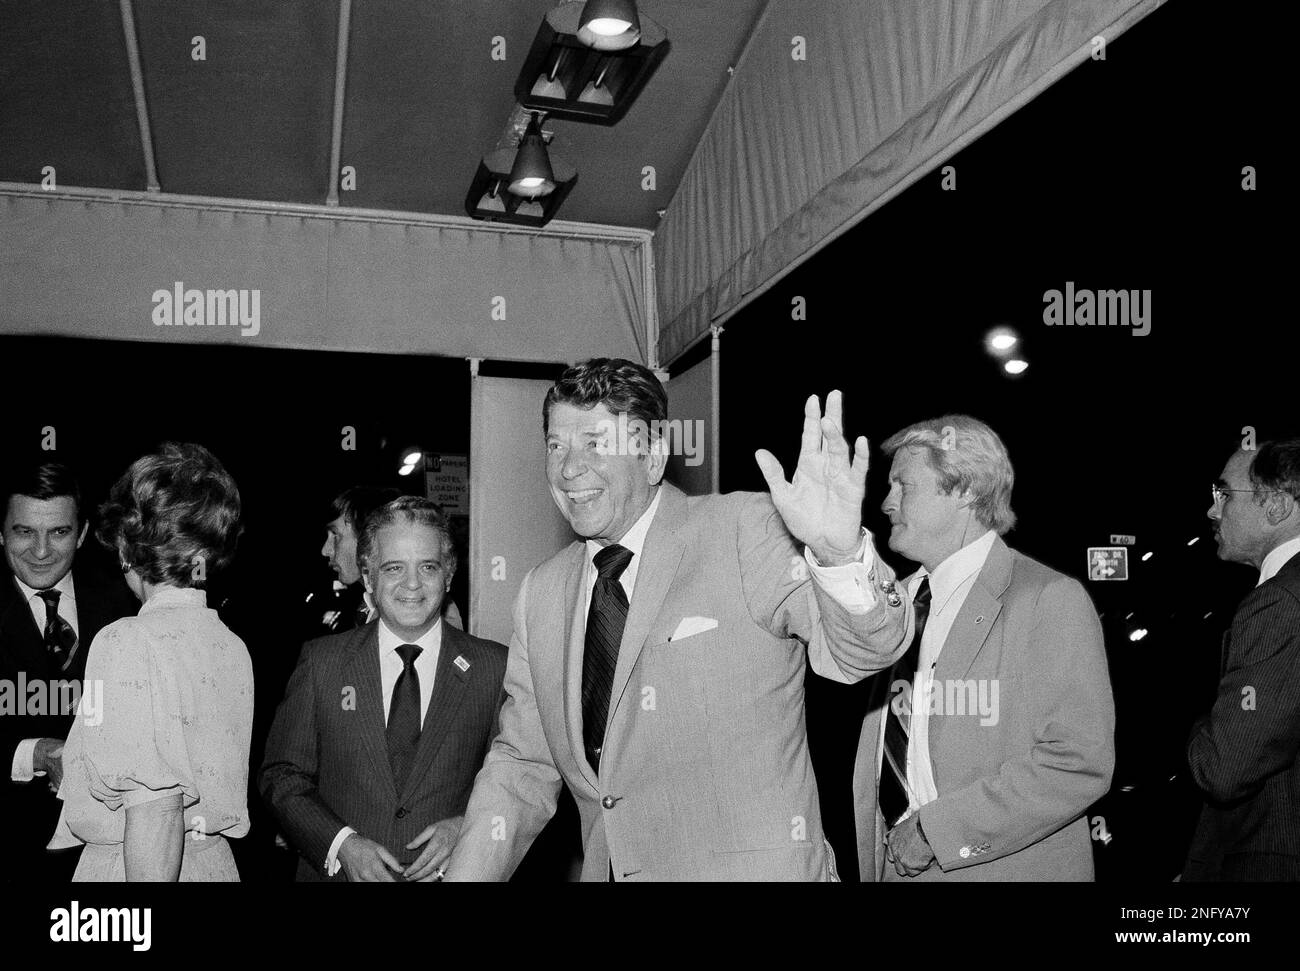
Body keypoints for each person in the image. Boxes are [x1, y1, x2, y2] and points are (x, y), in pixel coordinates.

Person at [444, 358, 912, 881]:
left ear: (653, 455)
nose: (568, 468)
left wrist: (840, 557)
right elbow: (521, 766)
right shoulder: (541, 593)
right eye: (556, 445)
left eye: (597, 442)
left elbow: (865, 653)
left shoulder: (746, 531)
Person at [851, 415, 1115, 881]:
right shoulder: (899, 602)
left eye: (903, 485)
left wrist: (936, 832)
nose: (887, 503)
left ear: (965, 491)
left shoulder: (1047, 598)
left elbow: (1078, 762)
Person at [261, 497, 507, 881]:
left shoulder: (493, 668)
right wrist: (341, 843)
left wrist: (466, 826)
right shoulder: (322, 662)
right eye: (394, 568)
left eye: (428, 567)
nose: (412, 584)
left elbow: (517, 782)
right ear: (370, 578)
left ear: (448, 575)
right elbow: (282, 775)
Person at [47, 443, 253, 880]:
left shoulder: (124, 640)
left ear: (125, 545)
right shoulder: (231, 645)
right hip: (211, 867)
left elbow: (156, 810)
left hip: (135, 867)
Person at [0, 462, 136, 882]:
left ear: (81, 533)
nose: (41, 551)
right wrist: (34, 753)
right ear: (1, 533)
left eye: (58, 532)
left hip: (114, 854)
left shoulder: (128, 604)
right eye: (24, 531)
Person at [1183, 437, 1300, 881]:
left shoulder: (1281, 602)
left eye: (1225, 494)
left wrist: (1205, 720)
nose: (1213, 511)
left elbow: (1224, 767)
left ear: (1274, 505)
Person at [319, 486, 463, 633]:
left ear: (367, 536)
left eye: (335, 534)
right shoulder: (366, 606)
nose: (326, 550)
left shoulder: (429, 614)